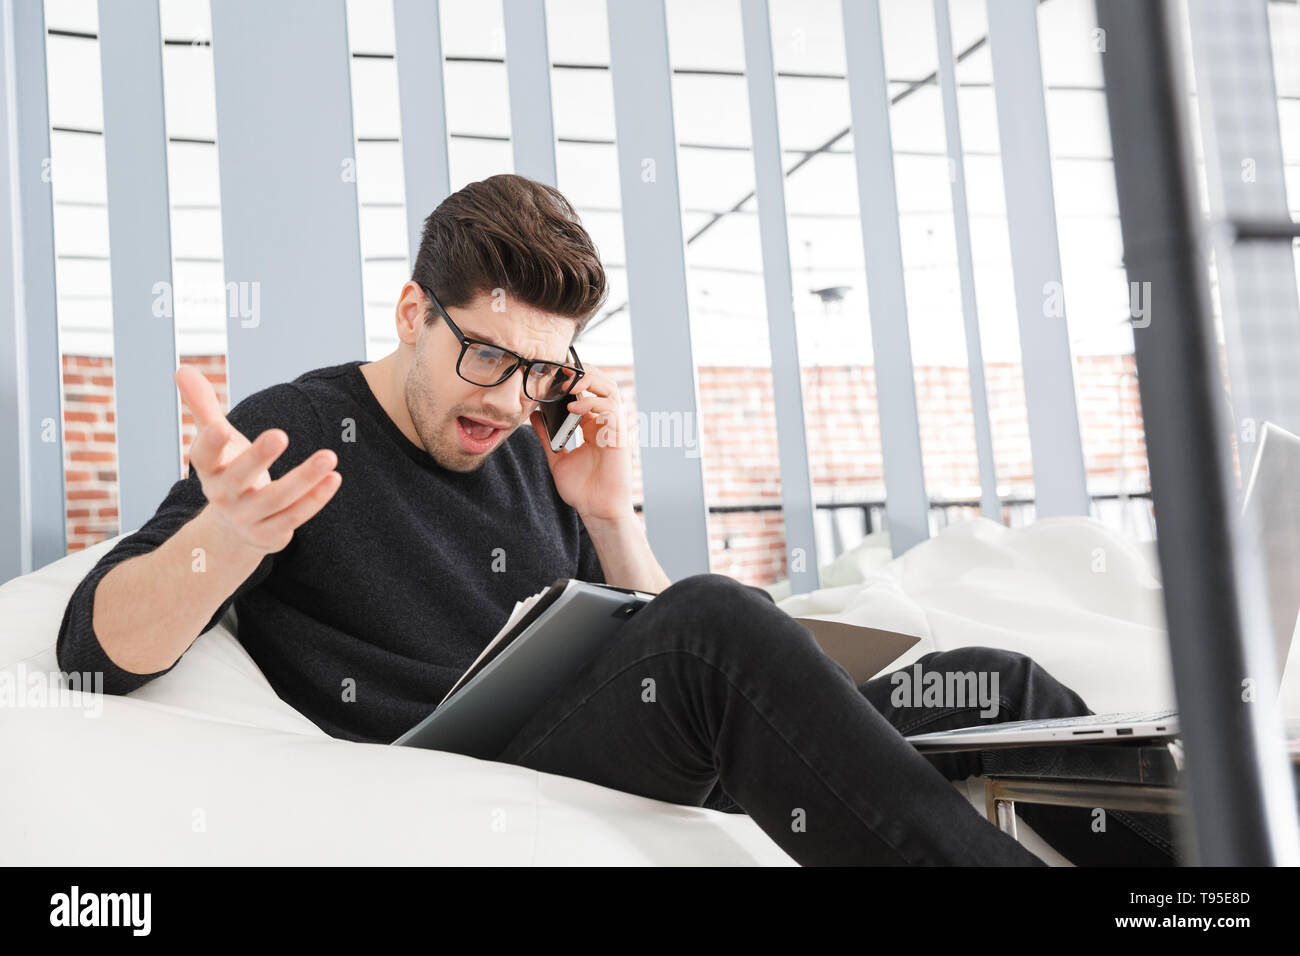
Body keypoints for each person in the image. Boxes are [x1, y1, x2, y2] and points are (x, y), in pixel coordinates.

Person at [56, 173, 1179, 866]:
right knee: (711, 621)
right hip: (484, 766)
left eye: (543, 368)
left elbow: (657, 655)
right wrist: (228, 536)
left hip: (615, 732)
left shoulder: (538, 445)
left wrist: (609, 513)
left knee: (990, 682)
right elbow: (95, 652)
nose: (507, 397)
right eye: (485, 354)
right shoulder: (296, 428)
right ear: (413, 312)